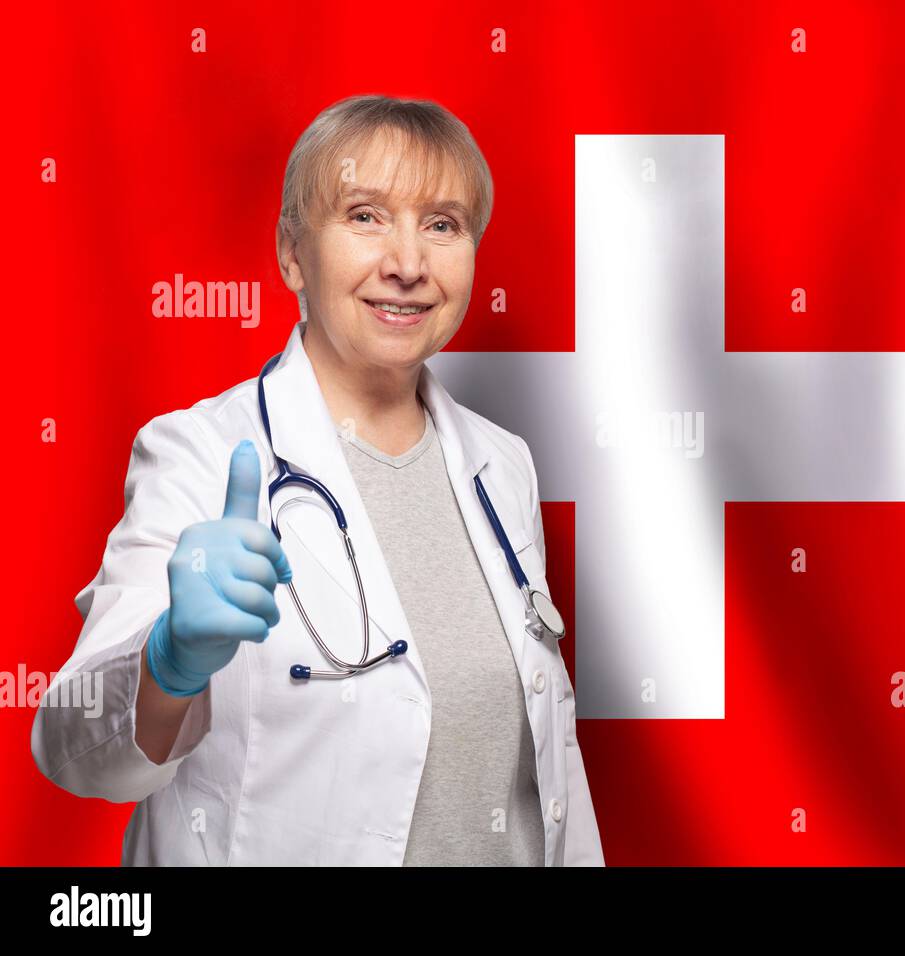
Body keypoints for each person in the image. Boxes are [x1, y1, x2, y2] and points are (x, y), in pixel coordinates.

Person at [30, 94, 604, 866]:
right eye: (365, 216)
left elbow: (545, 774)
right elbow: (70, 742)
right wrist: (166, 664)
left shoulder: (502, 465)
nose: (407, 263)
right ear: (292, 254)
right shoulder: (198, 452)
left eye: (443, 224)